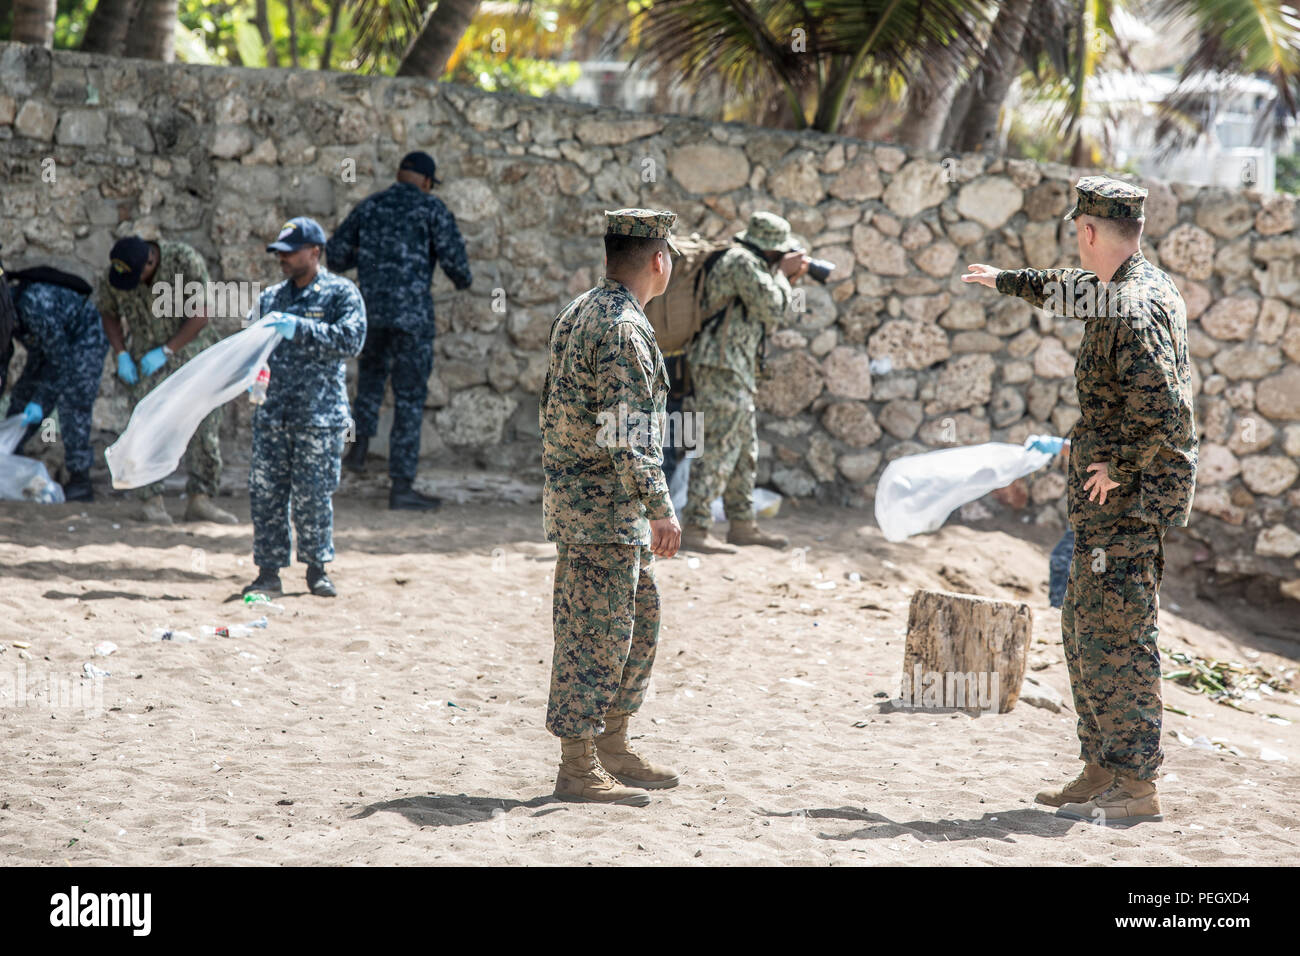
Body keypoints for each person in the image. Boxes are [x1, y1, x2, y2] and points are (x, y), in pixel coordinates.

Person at [963, 176, 1197, 824]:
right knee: (1086, 628)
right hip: (1109, 501)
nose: (1075, 242)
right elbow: (1063, 288)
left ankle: (1137, 784)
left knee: (1124, 635)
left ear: (1089, 231)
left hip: (1130, 502)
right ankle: (1101, 765)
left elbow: (1169, 414)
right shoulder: (1117, 290)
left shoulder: (1137, 304)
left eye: (1076, 231)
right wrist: (1007, 279)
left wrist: (1118, 467)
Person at [540, 208, 683, 806]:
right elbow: (628, 430)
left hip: (594, 507)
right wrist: (659, 506)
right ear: (657, 261)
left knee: (637, 622)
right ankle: (577, 768)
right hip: (603, 510)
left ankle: (613, 745)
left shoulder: (583, 310)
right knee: (592, 638)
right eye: (670, 253)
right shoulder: (621, 327)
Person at [326, 151, 472, 510]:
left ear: (399, 175)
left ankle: (358, 450)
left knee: (372, 377)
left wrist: (368, 252)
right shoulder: (431, 209)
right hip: (412, 319)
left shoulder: (369, 207)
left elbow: (335, 256)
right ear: (425, 181)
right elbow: (460, 271)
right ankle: (401, 487)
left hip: (370, 314)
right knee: (408, 398)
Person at [244, 218, 366, 599]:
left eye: (290, 252)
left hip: (320, 416)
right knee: (266, 494)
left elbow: (352, 339)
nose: (283, 259)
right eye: (279, 253)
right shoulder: (270, 299)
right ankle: (268, 571)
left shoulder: (340, 293)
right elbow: (252, 347)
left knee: (313, 496)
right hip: (273, 414)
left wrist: (299, 327)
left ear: (315, 252)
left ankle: (317, 570)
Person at [681, 211, 808, 553]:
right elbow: (772, 308)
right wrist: (783, 275)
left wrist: (781, 274)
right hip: (719, 367)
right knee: (719, 445)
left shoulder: (754, 264)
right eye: (779, 253)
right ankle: (694, 527)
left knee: (744, 450)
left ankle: (742, 524)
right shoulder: (741, 262)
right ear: (768, 249)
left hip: (736, 369)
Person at [96, 235, 236, 524]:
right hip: (145, 361)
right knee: (143, 427)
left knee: (204, 428)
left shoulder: (184, 260)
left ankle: (201, 499)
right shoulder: (119, 271)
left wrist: (168, 349)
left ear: (151, 261)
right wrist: (121, 353)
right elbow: (108, 311)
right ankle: (151, 502)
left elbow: (203, 311)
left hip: (192, 354)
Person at [6, 273, 108, 501]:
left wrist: (41, 401)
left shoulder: (32, 307)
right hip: (48, 344)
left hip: (82, 336)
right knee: (23, 394)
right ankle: (9, 460)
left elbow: (60, 361)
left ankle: (80, 480)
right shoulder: (6, 314)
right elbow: (4, 357)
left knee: (74, 401)